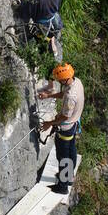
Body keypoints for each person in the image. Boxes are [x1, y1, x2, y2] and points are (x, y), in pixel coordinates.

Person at [37, 62, 83, 194]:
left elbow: (64, 117)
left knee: (63, 157)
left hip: (66, 127)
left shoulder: (71, 97)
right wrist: (49, 96)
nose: (60, 82)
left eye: (60, 80)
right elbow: (64, 93)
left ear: (64, 79)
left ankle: (62, 187)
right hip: (73, 125)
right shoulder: (76, 82)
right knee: (71, 151)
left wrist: (49, 123)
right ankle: (68, 178)